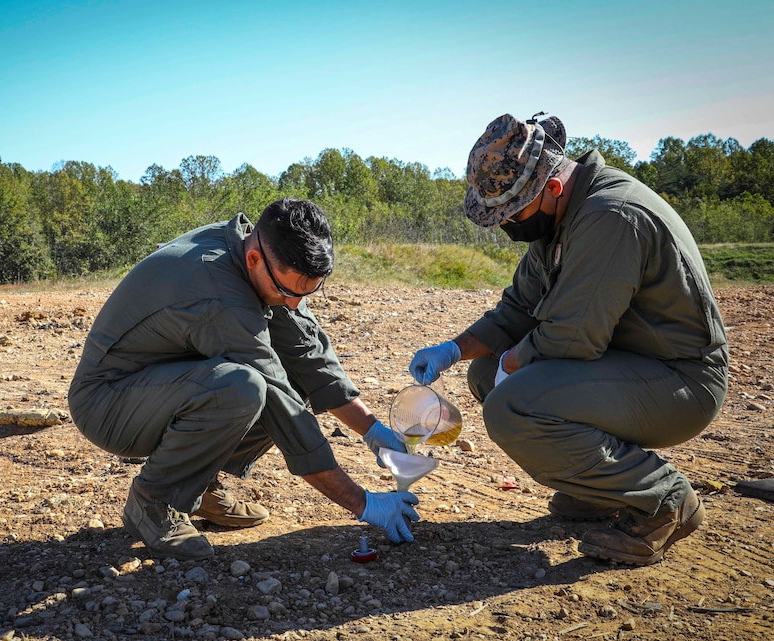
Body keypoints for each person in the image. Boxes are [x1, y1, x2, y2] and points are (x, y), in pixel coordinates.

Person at [409, 113, 728, 566]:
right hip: (630, 364)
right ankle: (601, 491)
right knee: (485, 371)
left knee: (514, 404)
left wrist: (513, 365)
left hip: (681, 381)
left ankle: (664, 500)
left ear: (552, 189)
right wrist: (454, 350)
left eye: (510, 216)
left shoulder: (609, 218)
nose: (508, 228)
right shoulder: (564, 215)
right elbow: (516, 310)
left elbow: (571, 339)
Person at [69, 197, 417, 560]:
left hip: (163, 384)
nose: (295, 303)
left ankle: (198, 484)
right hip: (108, 403)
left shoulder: (259, 251)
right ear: (255, 259)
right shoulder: (218, 292)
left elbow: (308, 356)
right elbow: (282, 404)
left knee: (289, 380)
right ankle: (156, 500)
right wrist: (363, 504)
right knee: (243, 387)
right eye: (288, 291)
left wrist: (375, 433)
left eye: (307, 291)